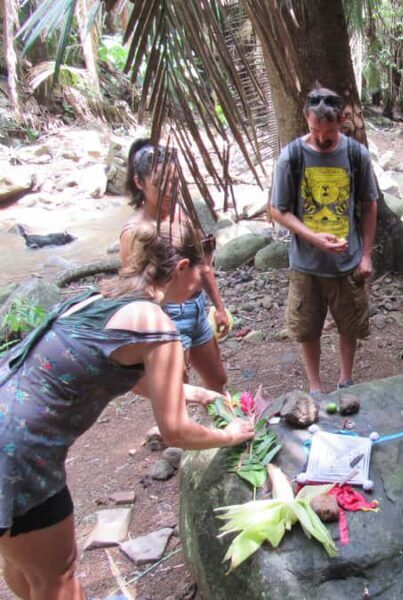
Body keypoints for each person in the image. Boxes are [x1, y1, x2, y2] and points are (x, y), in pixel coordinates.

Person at [0, 222, 255, 599]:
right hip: (18, 458)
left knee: (25, 562)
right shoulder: (157, 325)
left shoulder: (100, 295)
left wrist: (194, 394)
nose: (203, 281)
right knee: (59, 578)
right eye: (202, 271)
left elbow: (130, 379)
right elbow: (175, 433)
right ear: (182, 267)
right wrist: (228, 436)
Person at [269, 87, 378, 394]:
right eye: (315, 130)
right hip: (306, 263)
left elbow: (370, 205)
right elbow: (279, 210)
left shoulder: (356, 155)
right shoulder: (291, 156)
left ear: (342, 121)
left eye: (328, 131)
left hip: (347, 260)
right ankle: (315, 387)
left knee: (350, 324)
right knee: (307, 328)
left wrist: (366, 254)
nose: (321, 137)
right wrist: (313, 237)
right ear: (307, 120)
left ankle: (346, 380)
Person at [120, 139, 230, 394]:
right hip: (167, 316)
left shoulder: (182, 212)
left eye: (174, 182)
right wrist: (165, 335)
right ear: (139, 183)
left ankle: (227, 425)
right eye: (162, 184)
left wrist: (219, 306)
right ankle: (181, 433)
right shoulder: (134, 232)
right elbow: (136, 295)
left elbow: (202, 264)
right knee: (178, 391)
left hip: (196, 309)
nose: (170, 190)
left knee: (218, 379)